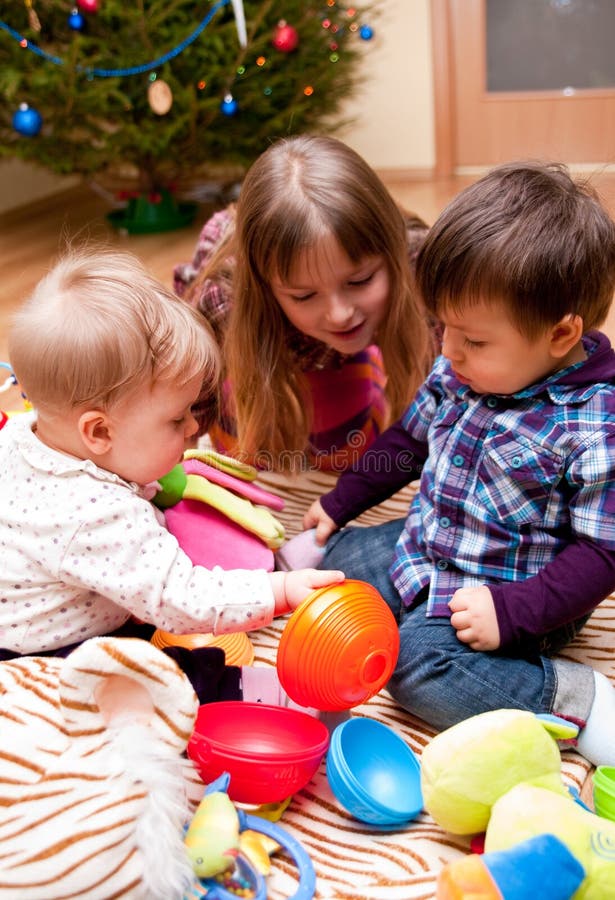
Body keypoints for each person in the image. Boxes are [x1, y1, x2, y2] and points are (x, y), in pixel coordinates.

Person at [305, 161, 615, 767]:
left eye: (472, 340)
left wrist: (511, 611)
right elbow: (408, 440)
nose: (447, 350)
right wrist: (338, 501)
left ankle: (578, 700)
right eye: (445, 327)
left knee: (419, 665)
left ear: (560, 335)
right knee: (339, 564)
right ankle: (402, 599)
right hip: (434, 542)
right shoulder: (460, 369)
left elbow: (603, 555)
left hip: (521, 591)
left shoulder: (597, 424)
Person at [0, 248, 344, 666]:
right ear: (99, 432)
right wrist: (280, 591)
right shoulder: (99, 516)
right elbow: (181, 601)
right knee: (185, 678)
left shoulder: (23, 430)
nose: (194, 430)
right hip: (40, 656)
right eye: (176, 419)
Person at [174, 133, 435, 472]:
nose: (341, 314)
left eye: (360, 281)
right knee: (251, 455)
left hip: (334, 347)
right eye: (304, 295)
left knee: (347, 450)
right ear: (266, 289)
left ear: (393, 254)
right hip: (263, 338)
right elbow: (185, 419)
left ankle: (360, 363)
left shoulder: (422, 263)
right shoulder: (225, 301)